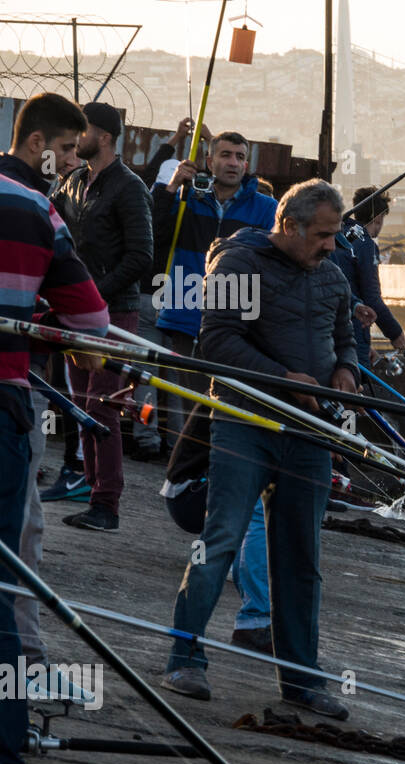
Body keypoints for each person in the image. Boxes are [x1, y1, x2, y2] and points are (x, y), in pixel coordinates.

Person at [161, 179, 360, 717]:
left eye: (335, 235)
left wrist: (345, 369)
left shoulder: (333, 277)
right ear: (288, 225)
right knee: (221, 538)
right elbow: (218, 341)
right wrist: (283, 377)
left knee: (301, 556)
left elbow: (346, 336)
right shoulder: (238, 265)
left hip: (309, 431)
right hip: (244, 423)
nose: (330, 246)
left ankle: (301, 681)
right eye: (321, 235)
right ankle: (185, 658)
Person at [0, 92, 111, 764]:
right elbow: (93, 322)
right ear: (39, 142)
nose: (72, 165)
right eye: (68, 153)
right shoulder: (38, 212)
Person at [50, 102, 153, 532]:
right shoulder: (75, 182)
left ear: (105, 137)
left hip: (115, 312)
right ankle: (92, 492)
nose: (76, 138)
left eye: (83, 130)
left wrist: (92, 295)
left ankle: (106, 504)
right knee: (81, 404)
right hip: (78, 311)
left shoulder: (128, 187)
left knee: (103, 404)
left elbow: (142, 256)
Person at [151, 130, 277, 438]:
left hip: (236, 321)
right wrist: (170, 188)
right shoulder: (185, 196)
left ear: (247, 165)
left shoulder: (266, 208)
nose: (233, 163)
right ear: (209, 160)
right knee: (190, 401)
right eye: (225, 155)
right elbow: (152, 233)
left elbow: (276, 263)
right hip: (186, 311)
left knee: (226, 400)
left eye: (240, 157)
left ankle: (212, 465)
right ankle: (187, 471)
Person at [132, 117, 211, 463]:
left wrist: (178, 137)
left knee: (145, 381)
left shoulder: (149, 206)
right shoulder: (192, 208)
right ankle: (180, 444)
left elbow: (147, 174)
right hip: (179, 299)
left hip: (148, 296)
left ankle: (146, 438)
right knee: (179, 382)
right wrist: (204, 142)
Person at [329, 186, 405, 369]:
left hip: (327, 330)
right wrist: (395, 333)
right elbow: (372, 298)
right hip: (353, 329)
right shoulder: (365, 244)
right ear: (378, 218)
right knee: (355, 384)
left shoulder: (338, 235)